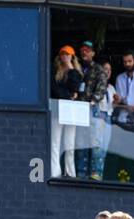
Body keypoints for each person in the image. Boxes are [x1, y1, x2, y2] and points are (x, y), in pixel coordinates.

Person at [74, 41, 110, 179]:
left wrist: (93, 101)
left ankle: (96, 174)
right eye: (82, 50)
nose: (84, 52)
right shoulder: (77, 68)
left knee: (95, 143)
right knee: (80, 143)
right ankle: (81, 173)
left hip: (93, 110)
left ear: (93, 53)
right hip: (78, 111)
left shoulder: (99, 69)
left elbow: (102, 87)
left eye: (87, 50)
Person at [50, 46, 83, 179]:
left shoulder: (75, 72)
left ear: (72, 56)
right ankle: (55, 172)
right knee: (55, 142)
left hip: (70, 111)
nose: (64, 57)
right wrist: (68, 95)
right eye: (62, 54)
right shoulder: (56, 72)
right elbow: (54, 89)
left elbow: (76, 89)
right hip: (58, 109)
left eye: (67, 55)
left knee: (69, 144)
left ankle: (70, 172)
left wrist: (70, 67)